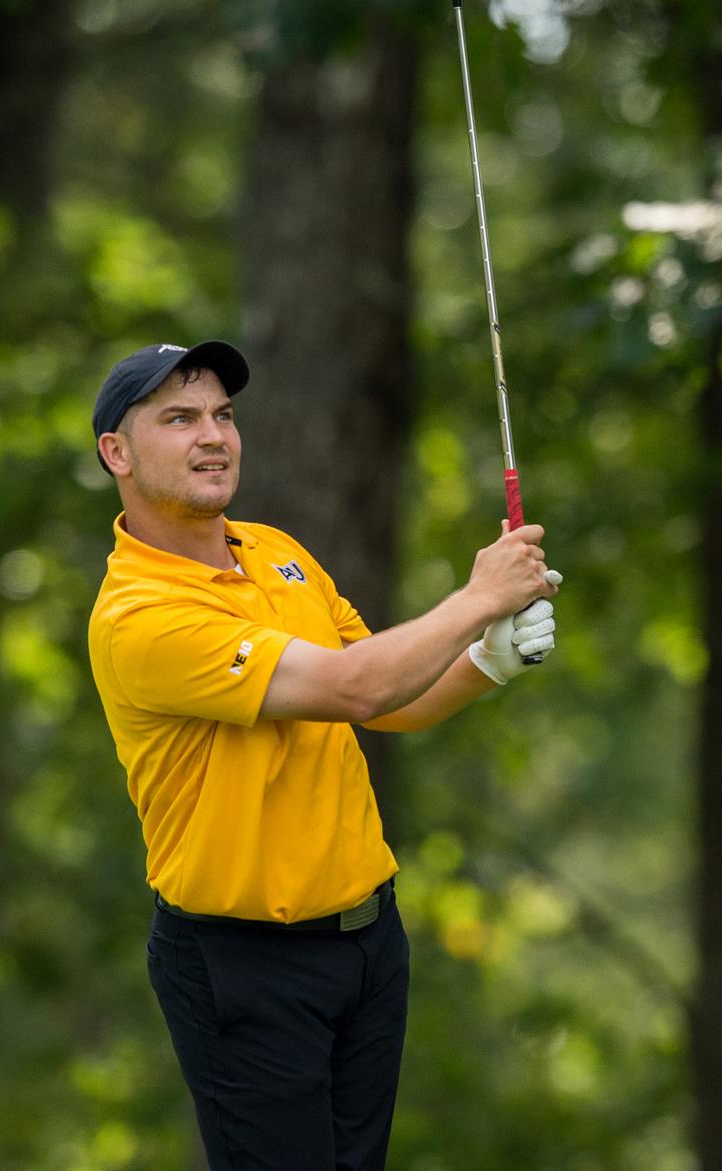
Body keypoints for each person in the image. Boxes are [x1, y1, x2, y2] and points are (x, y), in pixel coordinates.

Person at [85, 340, 561, 1171]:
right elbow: (353, 689)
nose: (214, 435)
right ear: (116, 453)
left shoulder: (274, 550)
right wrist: (479, 597)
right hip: (245, 966)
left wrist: (488, 659)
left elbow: (394, 697)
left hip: (369, 941)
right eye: (179, 417)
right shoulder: (139, 616)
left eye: (224, 415)